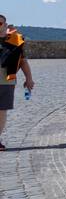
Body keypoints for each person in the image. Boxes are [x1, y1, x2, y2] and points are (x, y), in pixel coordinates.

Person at [0, 14, 36, 151]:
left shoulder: (15, 41)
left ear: (5, 25)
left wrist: (29, 78)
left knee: (2, 111)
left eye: (0, 23)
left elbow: (22, 61)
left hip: (6, 82)